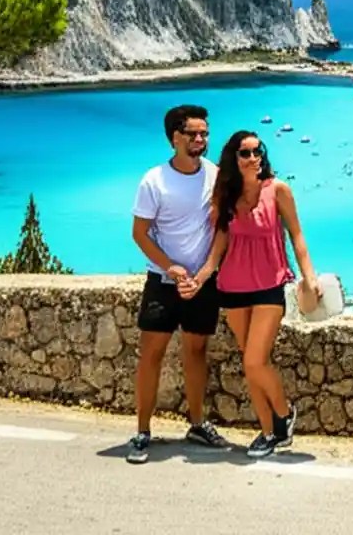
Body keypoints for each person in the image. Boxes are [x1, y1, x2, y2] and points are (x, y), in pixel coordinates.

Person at [191, 129, 323, 458]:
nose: (254, 158)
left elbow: (297, 235)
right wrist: (203, 274)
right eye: (246, 153)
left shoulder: (278, 190)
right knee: (251, 366)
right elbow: (220, 241)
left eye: (257, 151)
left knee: (254, 359)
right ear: (234, 160)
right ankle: (268, 433)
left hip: (269, 285)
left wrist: (309, 276)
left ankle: (284, 414)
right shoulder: (226, 196)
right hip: (233, 287)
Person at [127, 104, 231, 464]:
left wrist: (204, 273)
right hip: (163, 282)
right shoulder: (153, 181)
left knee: (197, 352)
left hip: (202, 283)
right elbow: (140, 234)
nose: (201, 140)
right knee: (151, 354)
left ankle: (198, 423)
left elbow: (222, 229)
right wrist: (171, 268)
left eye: (205, 133)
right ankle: (142, 431)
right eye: (193, 134)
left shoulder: (216, 176)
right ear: (175, 138)